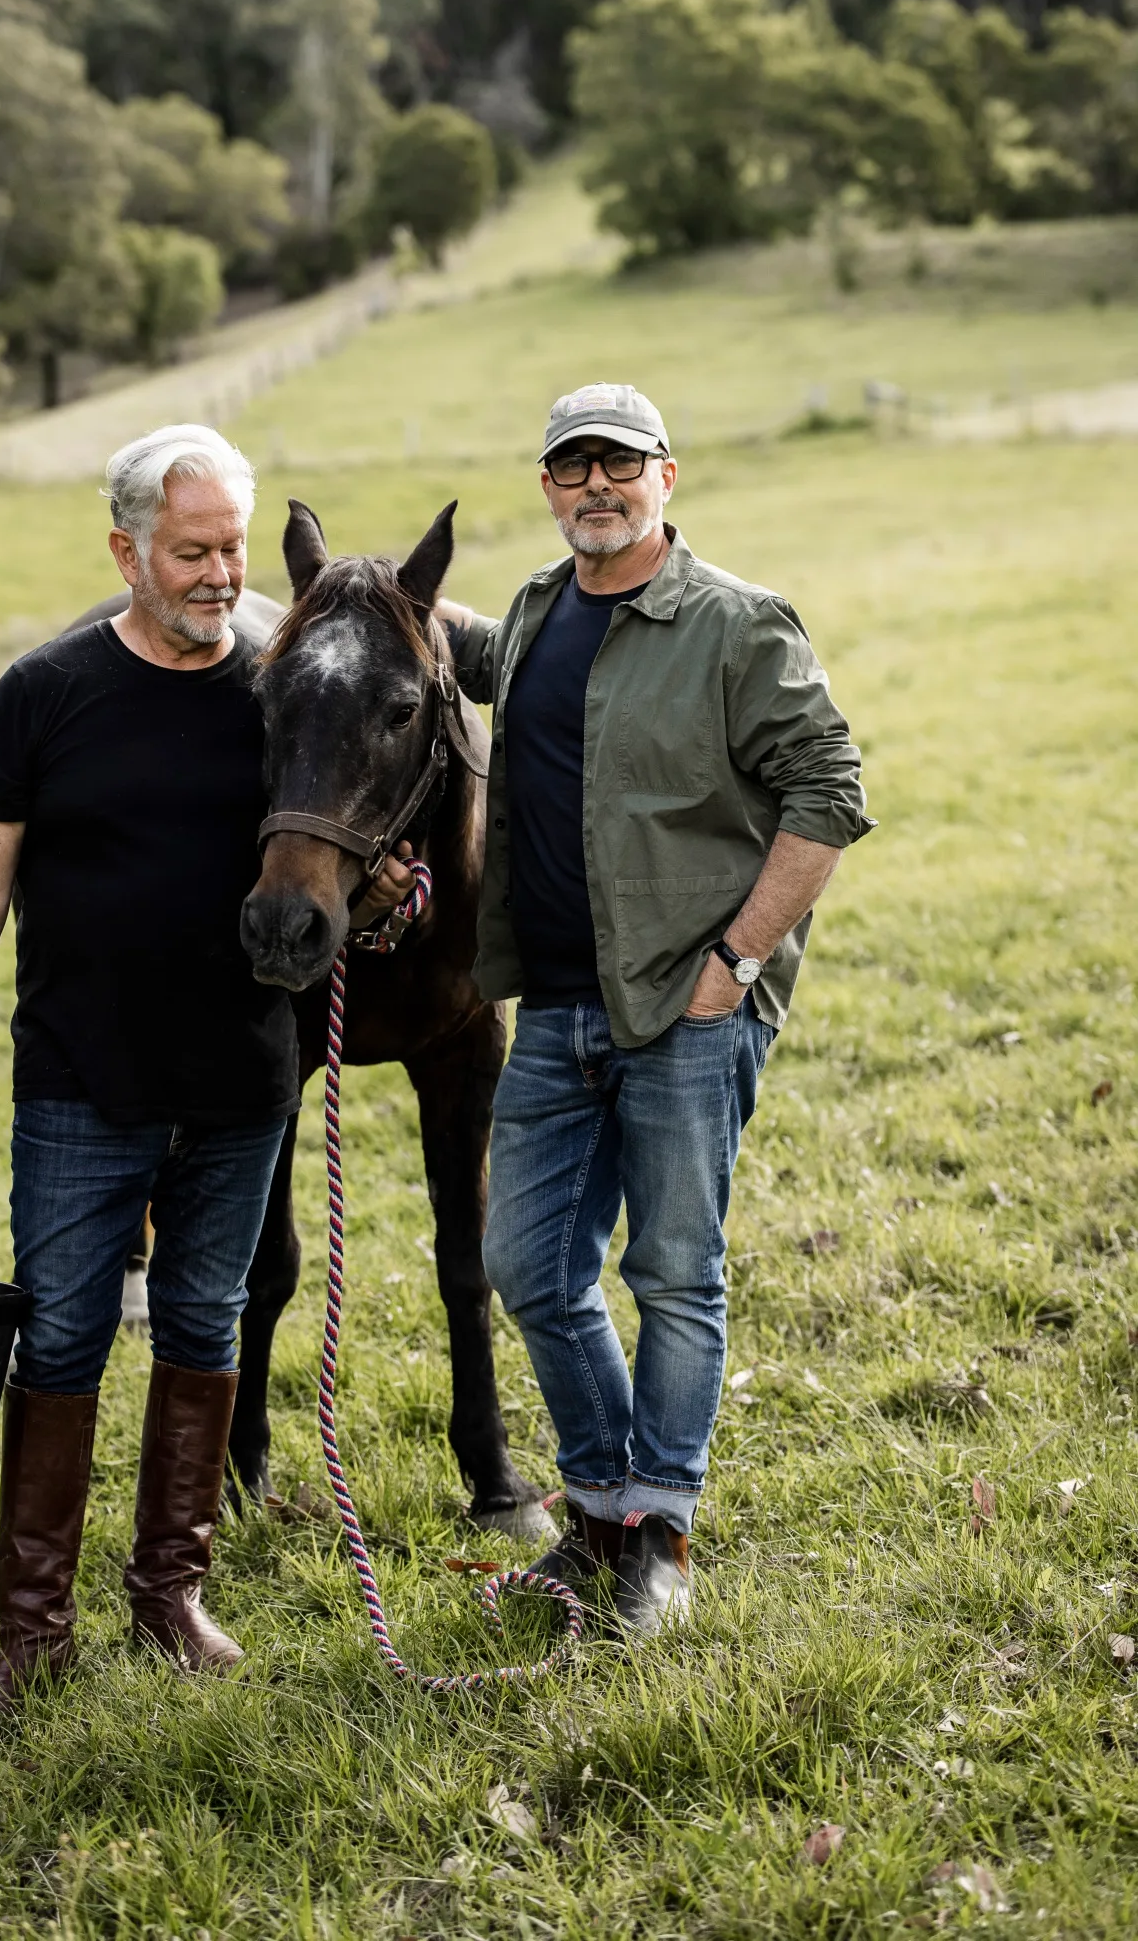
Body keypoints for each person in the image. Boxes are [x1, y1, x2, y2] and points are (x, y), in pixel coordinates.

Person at [0, 425, 410, 1749]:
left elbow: (349, 812)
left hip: (244, 1079)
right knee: (61, 1339)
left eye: (233, 548)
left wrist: (383, 884)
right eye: (192, 550)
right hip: (81, 1082)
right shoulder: (44, 692)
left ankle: (170, 1599)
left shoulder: (277, 683)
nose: (219, 575)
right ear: (124, 548)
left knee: (204, 1320)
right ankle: (31, 1642)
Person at [439, 382, 872, 1639]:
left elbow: (830, 792)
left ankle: (659, 1534)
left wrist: (736, 961)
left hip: (688, 1010)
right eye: (572, 468)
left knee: (675, 1272)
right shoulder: (530, 615)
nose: (595, 487)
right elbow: (457, 651)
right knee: (528, 1265)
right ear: (547, 488)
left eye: (618, 465)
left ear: (665, 476)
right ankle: (602, 1506)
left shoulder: (737, 625)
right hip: (559, 1009)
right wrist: (364, 593)